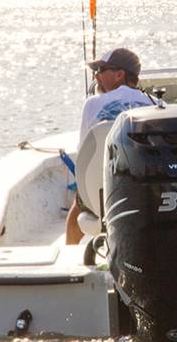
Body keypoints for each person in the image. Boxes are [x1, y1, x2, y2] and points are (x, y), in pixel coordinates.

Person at [65, 48, 152, 245]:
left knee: (76, 210)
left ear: (119, 74)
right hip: (145, 190)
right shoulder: (157, 104)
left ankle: (70, 253)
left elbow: (83, 154)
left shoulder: (92, 104)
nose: (96, 76)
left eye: (101, 70)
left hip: (102, 191)